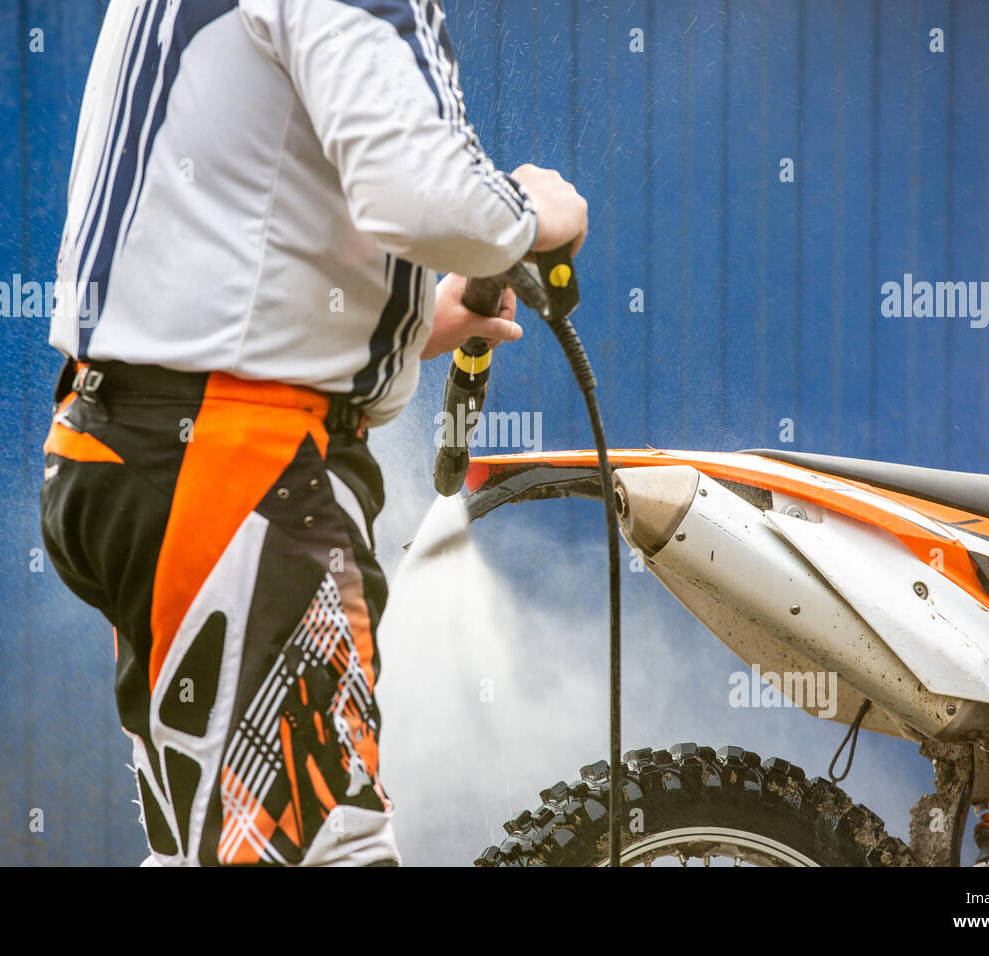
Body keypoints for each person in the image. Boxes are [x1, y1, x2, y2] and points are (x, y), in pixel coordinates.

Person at [39, 0, 587, 866]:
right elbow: (423, 191)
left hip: (128, 445)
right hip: (233, 468)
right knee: (326, 849)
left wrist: (407, 327)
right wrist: (533, 211)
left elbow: (229, 207)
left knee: (212, 851)